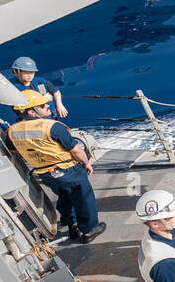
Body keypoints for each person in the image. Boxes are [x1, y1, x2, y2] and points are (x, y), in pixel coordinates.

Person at [7, 89, 105, 243]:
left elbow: (13, 150)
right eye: (42, 105)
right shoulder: (52, 126)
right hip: (69, 170)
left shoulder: (12, 131)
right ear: (31, 112)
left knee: (64, 197)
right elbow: (76, 149)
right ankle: (89, 230)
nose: (47, 106)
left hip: (45, 173)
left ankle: (71, 225)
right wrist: (86, 163)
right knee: (83, 198)